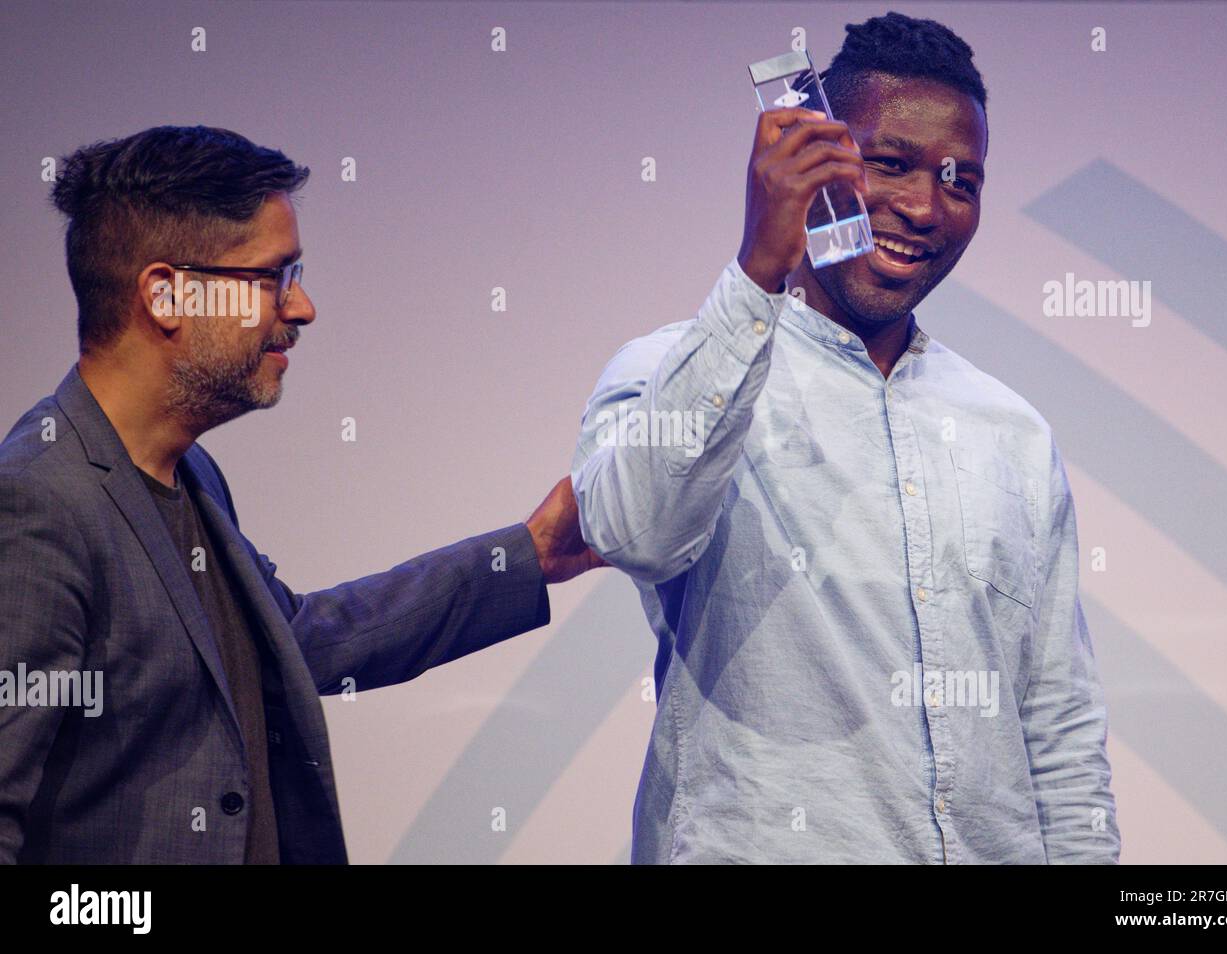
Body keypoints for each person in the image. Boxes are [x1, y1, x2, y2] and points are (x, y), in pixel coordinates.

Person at [572, 12, 1120, 863]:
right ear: (816, 156)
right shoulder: (668, 372)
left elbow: (1058, 724)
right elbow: (633, 533)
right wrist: (759, 264)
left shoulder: (1012, 433)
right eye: (889, 163)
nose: (923, 206)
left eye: (960, 181)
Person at [0, 125, 602, 864]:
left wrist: (529, 556)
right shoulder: (37, 505)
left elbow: (297, 643)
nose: (302, 306)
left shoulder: (191, 476)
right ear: (166, 294)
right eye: (273, 277)